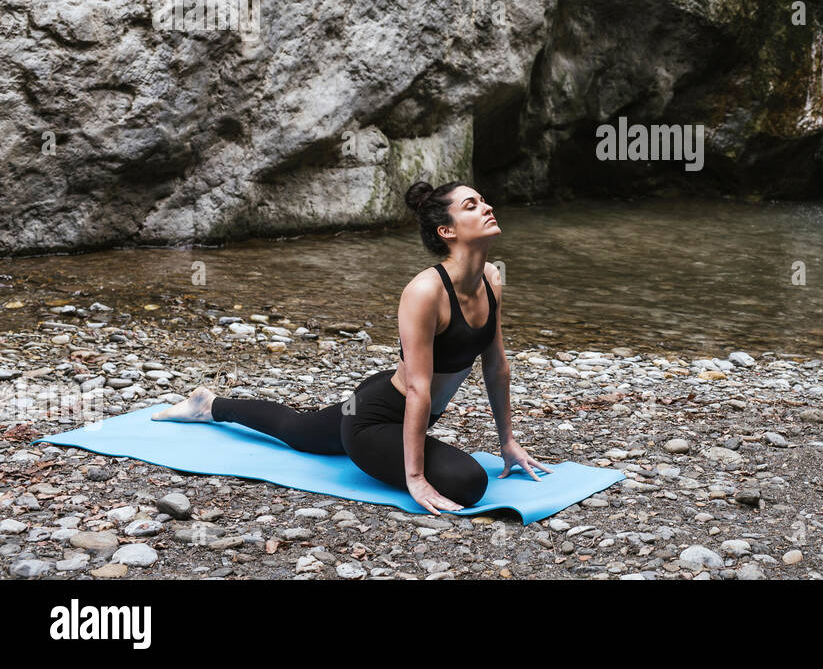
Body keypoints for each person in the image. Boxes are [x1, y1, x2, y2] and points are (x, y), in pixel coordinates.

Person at [152, 179, 550, 514]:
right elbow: (417, 387)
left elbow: (496, 367)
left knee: (301, 430)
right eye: (472, 205)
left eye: (483, 201)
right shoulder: (425, 291)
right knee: (469, 482)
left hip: (401, 408)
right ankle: (214, 408)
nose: (487, 206)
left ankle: (209, 405)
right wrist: (414, 479)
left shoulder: (492, 279)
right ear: (447, 230)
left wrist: (507, 443)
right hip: (375, 417)